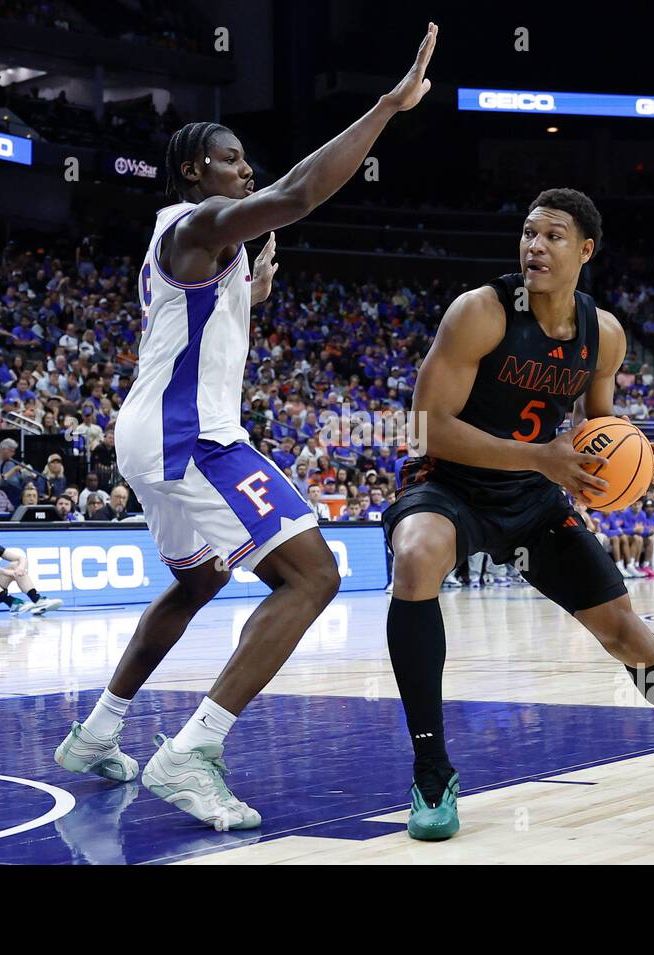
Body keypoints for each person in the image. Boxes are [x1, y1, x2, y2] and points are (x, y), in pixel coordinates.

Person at [55, 25, 438, 832]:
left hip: (155, 429)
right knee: (315, 575)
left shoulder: (194, 245)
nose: (244, 170)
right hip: (189, 435)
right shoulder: (195, 222)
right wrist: (386, 107)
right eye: (231, 160)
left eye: (243, 164)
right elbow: (297, 194)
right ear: (195, 169)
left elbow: (186, 322)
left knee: (200, 580)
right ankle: (192, 750)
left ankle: (97, 732)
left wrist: (248, 294)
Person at [380, 188, 654, 841]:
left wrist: (632, 453)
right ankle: (432, 770)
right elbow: (427, 429)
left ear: (586, 249)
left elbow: (598, 422)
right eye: (528, 234)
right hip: (452, 486)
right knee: (416, 553)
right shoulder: (480, 313)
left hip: (533, 497)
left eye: (552, 236)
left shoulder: (605, 334)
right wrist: (539, 457)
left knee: (625, 631)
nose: (535, 247)